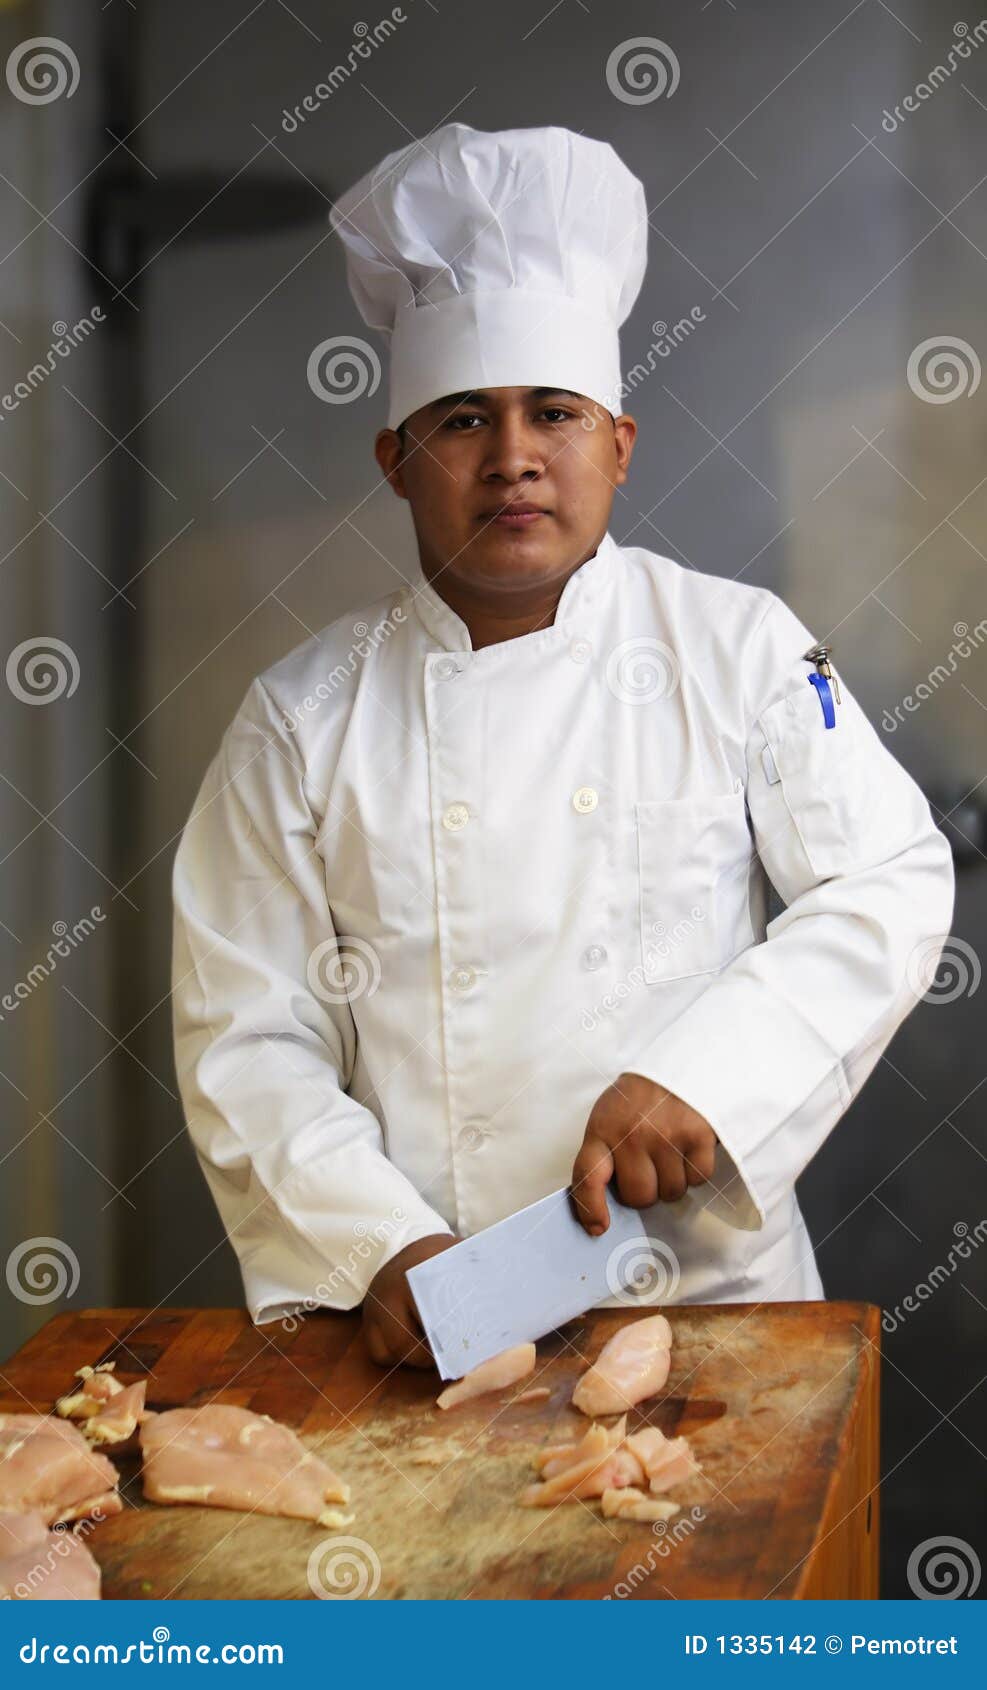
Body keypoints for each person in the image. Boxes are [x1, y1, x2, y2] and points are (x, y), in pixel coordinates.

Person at [171, 123, 955, 1369]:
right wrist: (376, 1245)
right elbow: (248, 1033)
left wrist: (710, 1078)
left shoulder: (745, 647)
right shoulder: (301, 718)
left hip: (714, 1316)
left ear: (619, 446)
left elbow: (889, 878)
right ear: (395, 461)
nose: (514, 458)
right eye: (463, 419)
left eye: (555, 412)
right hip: (432, 1322)